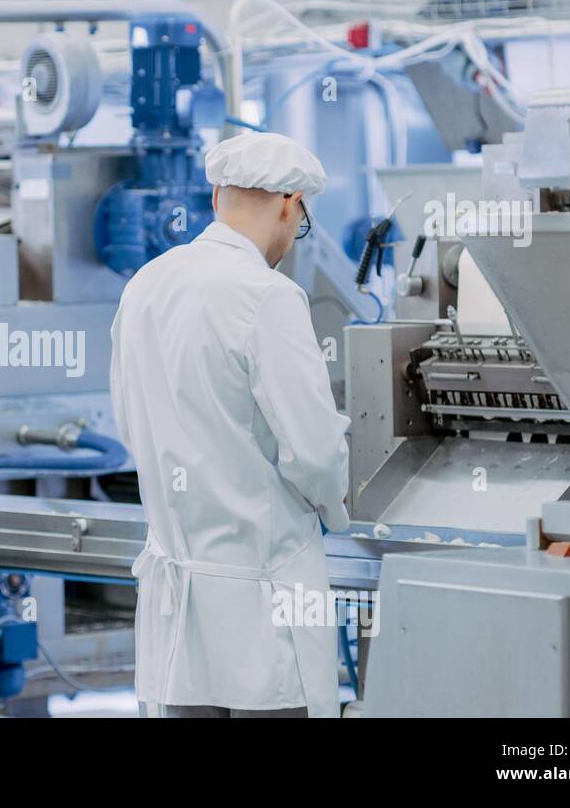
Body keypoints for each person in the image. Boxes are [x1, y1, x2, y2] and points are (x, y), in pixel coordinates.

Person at [110, 131, 351, 718]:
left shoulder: (146, 285)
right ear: (291, 204)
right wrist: (338, 509)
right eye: (301, 222)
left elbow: (128, 426)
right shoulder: (268, 296)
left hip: (177, 632)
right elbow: (316, 453)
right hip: (262, 624)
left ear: (217, 194)